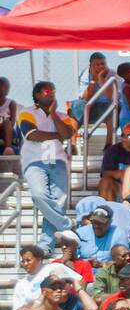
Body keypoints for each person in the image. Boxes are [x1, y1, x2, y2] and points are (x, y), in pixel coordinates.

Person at [19, 81, 76, 249]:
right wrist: (56, 135)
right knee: (39, 195)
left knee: (58, 202)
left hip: (58, 161)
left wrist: (53, 114)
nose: (51, 93)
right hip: (34, 161)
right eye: (46, 91)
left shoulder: (61, 115)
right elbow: (31, 134)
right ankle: (67, 226)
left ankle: (45, 245)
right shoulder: (27, 112)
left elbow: (66, 134)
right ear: (37, 94)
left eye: (53, 90)